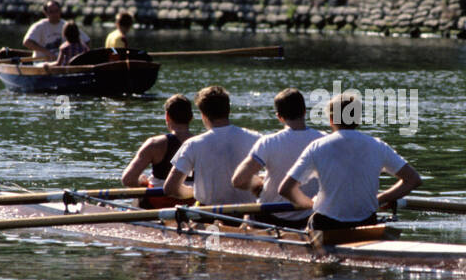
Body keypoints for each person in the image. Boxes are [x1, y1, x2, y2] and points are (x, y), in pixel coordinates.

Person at [279, 91, 421, 230]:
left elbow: (285, 189)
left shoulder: (317, 147)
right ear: (358, 119)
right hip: (366, 223)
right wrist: (381, 199)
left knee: (312, 221)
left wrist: (311, 204)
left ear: (331, 120)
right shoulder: (378, 146)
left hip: (326, 224)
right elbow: (413, 179)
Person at [230, 88, 323, 228]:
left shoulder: (268, 142)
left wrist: (258, 186)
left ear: (279, 117)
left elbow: (238, 180)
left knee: (249, 214)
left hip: (271, 217)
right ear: (305, 111)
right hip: (310, 217)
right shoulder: (324, 140)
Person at [162, 86, 259, 206]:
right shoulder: (256, 138)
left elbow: (170, 188)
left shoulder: (192, 144)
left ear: (203, 115)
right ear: (229, 110)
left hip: (209, 214)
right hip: (248, 213)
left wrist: (193, 191)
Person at [121, 94, 195, 189]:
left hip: (158, 201)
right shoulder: (203, 143)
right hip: (193, 200)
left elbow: (128, 179)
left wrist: (143, 185)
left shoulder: (154, 144)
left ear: (167, 116)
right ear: (191, 117)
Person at [24, 0, 89, 60]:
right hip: (42, 62)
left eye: (56, 11)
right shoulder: (39, 26)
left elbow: (86, 41)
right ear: (45, 13)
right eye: (51, 12)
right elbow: (27, 42)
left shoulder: (67, 26)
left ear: (60, 11)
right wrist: (47, 52)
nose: (54, 14)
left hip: (63, 63)